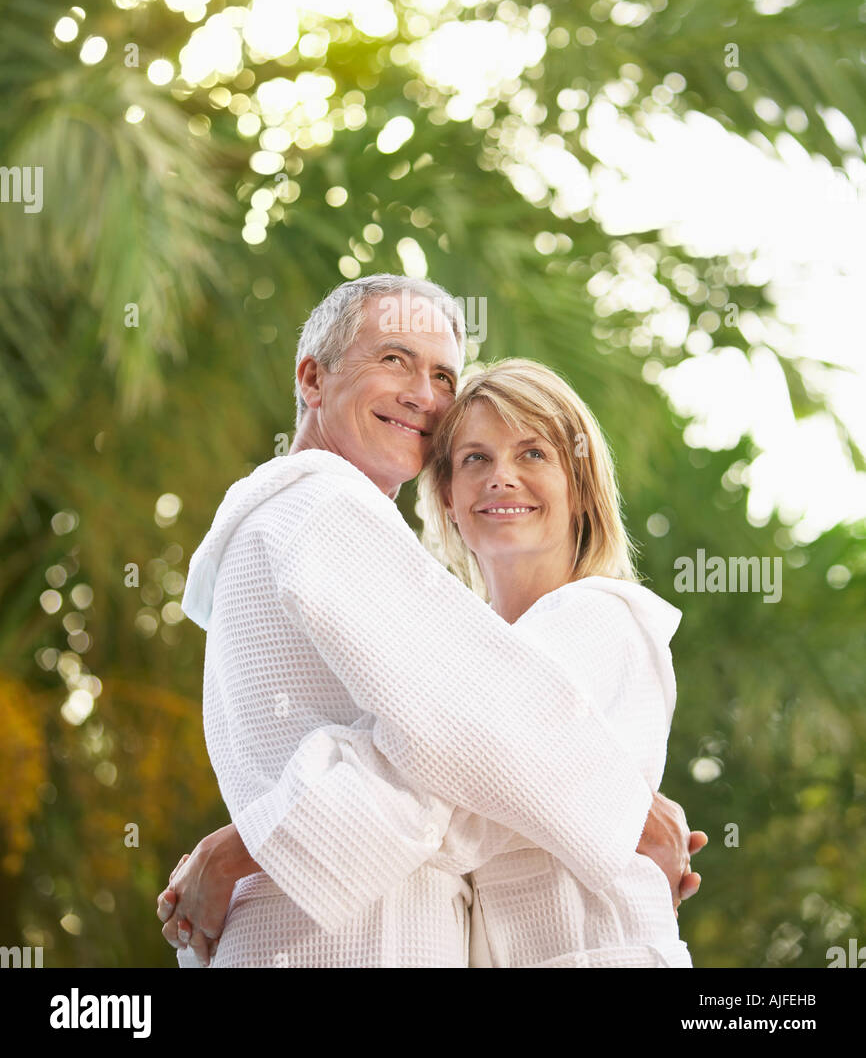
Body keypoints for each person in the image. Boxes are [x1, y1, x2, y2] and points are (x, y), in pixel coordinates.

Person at [157, 275, 704, 967]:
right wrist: (618, 797)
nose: (424, 392)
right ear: (312, 377)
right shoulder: (325, 507)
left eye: (442, 373)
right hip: (351, 938)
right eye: (394, 359)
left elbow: (461, 744)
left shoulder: (594, 616)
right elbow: (469, 737)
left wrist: (241, 848)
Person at [414, 357, 693, 966]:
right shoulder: (462, 653)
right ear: (448, 497)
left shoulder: (599, 615)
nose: (501, 477)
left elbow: (445, 799)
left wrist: (252, 846)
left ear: (581, 485)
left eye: (533, 454)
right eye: (475, 459)